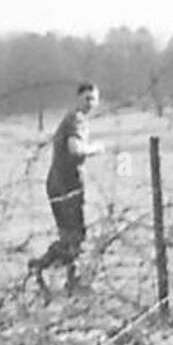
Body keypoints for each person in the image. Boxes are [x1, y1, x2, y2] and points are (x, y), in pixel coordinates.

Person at [30, 82, 104, 293]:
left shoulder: (72, 118)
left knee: (70, 235)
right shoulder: (76, 119)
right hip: (67, 184)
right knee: (76, 235)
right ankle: (49, 268)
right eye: (86, 98)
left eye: (94, 99)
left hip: (57, 183)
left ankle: (62, 275)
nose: (90, 103)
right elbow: (75, 149)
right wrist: (95, 149)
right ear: (78, 99)